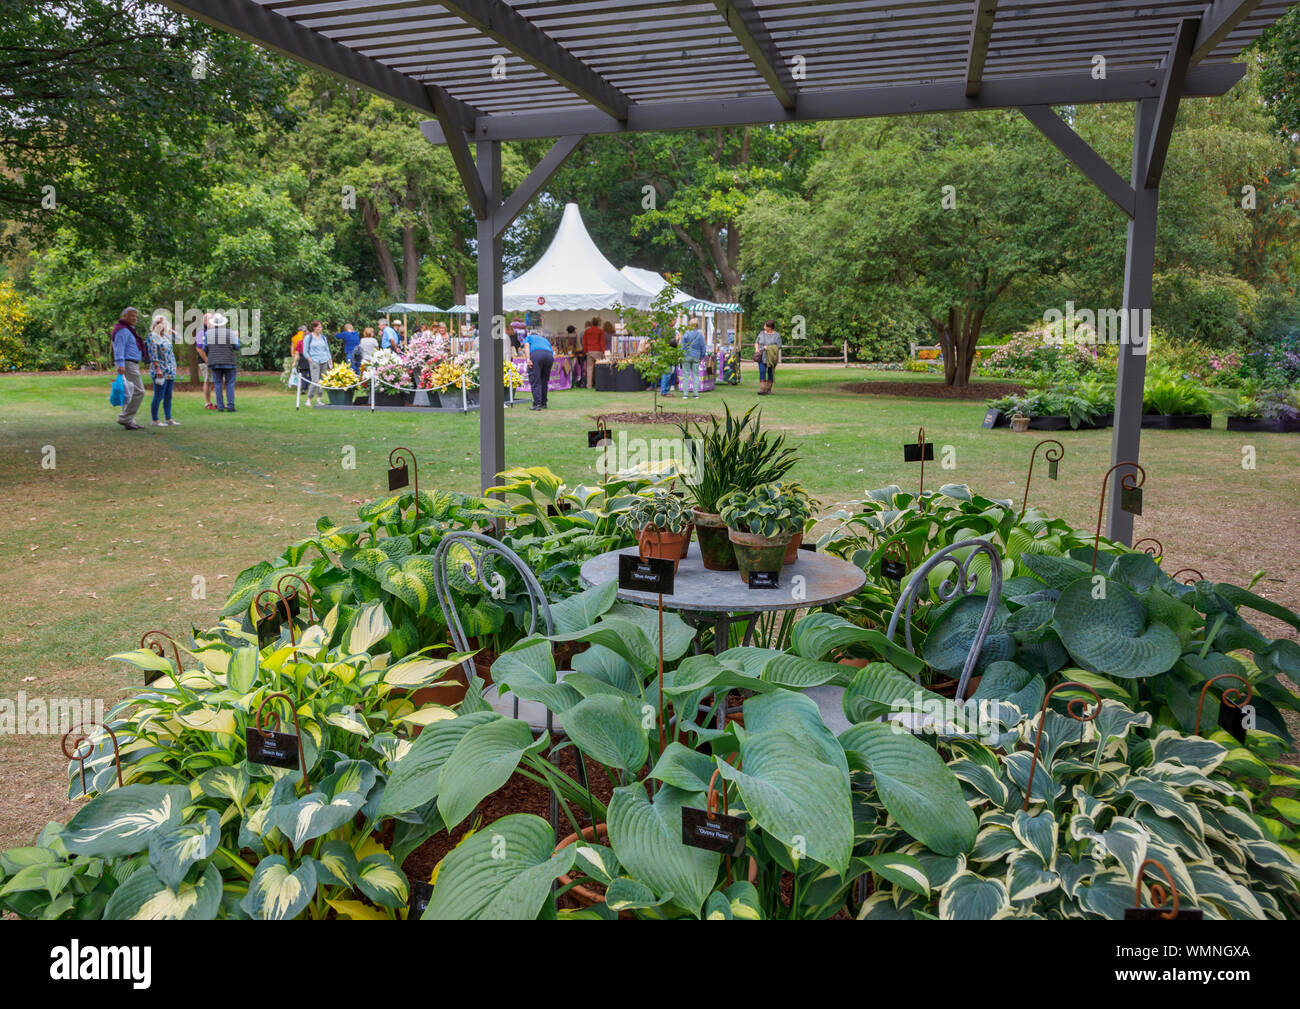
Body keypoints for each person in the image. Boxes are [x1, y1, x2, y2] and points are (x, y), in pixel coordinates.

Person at [111, 307, 146, 430]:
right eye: (132, 316)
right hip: (127, 363)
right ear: (124, 316)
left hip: (131, 363)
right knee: (139, 391)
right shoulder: (122, 331)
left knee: (129, 392)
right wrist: (120, 364)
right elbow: (119, 348)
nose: (134, 318)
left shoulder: (129, 330)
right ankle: (125, 418)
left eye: (136, 316)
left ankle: (129, 420)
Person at [147, 314, 179, 426]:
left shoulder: (166, 336)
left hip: (170, 369)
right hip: (160, 370)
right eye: (157, 322)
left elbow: (179, 338)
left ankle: (168, 418)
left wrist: (171, 331)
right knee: (159, 395)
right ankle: (155, 420)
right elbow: (153, 354)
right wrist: (157, 369)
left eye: (161, 322)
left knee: (168, 395)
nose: (159, 325)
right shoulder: (152, 337)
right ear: (154, 324)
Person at [205, 313, 240, 411]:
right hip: (229, 361)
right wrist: (237, 336)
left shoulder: (208, 334)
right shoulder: (230, 333)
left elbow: (205, 348)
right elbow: (237, 347)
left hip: (214, 362)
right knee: (230, 383)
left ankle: (220, 407)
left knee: (217, 384)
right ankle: (230, 406)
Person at [519, 330, 554, 411]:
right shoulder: (544, 339)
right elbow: (551, 351)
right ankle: (543, 403)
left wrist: (528, 359)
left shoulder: (529, 337)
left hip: (536, 355)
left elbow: (526, 345)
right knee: (544, 380)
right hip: (549, 356)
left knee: (535, 380)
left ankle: (537, 404)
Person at [302, 320, 332, 407]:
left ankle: (319, 399)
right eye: (319, 327)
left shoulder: (323, 337)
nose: (320, 329)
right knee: (315, 381)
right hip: (314, 360)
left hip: (324, 360)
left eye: (321, 327)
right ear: (314, 328)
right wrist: (310, 359)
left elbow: (327, 349)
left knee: (322, 381)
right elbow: (305, 351)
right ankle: (308, 400)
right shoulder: (309, 337)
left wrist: (330, 359)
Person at [681, 317, 707, 399]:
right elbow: (703, 348)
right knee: (696, 375)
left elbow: (682, 346)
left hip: (686, 355)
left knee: (685, 375)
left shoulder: (686, 334)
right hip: (696, 356)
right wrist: (701, 357)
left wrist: (681, 355)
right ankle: (696, 394)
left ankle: (685, 394)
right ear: (697, 325)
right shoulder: (700, 335)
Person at [755, 319, 782, 395]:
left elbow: (779, 346)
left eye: (765, 326)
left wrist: (769, 348)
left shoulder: (777, 335)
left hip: (771, 357)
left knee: (770, 373)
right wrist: (757, 349)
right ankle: (763, 389)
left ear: (770, 327)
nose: (764, 327)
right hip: (762, 356)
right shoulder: (761, 333)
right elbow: (756, 342)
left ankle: (769, 390)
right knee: (762, 372)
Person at [196, 312, 215, 410]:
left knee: (214, 381)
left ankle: (215, 402)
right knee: (207, 381)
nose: (212, 322)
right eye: (209, 320)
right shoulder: (201, 332)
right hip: (205, 361)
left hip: (214, 360)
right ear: (204, 321)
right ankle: (207, 402)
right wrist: (207, 360)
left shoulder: (213, 331)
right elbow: (199, 349)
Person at [582, 317, 605, 389]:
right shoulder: (600, 331)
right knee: (599, 368)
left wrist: (586, 351)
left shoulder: (587, 331)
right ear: (598, 323)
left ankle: (589, 385)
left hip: (590, 351)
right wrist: (603, 351)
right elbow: (602, 342)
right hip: (598, 351)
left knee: (589, 369)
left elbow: (584, 342)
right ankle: (599, 384)